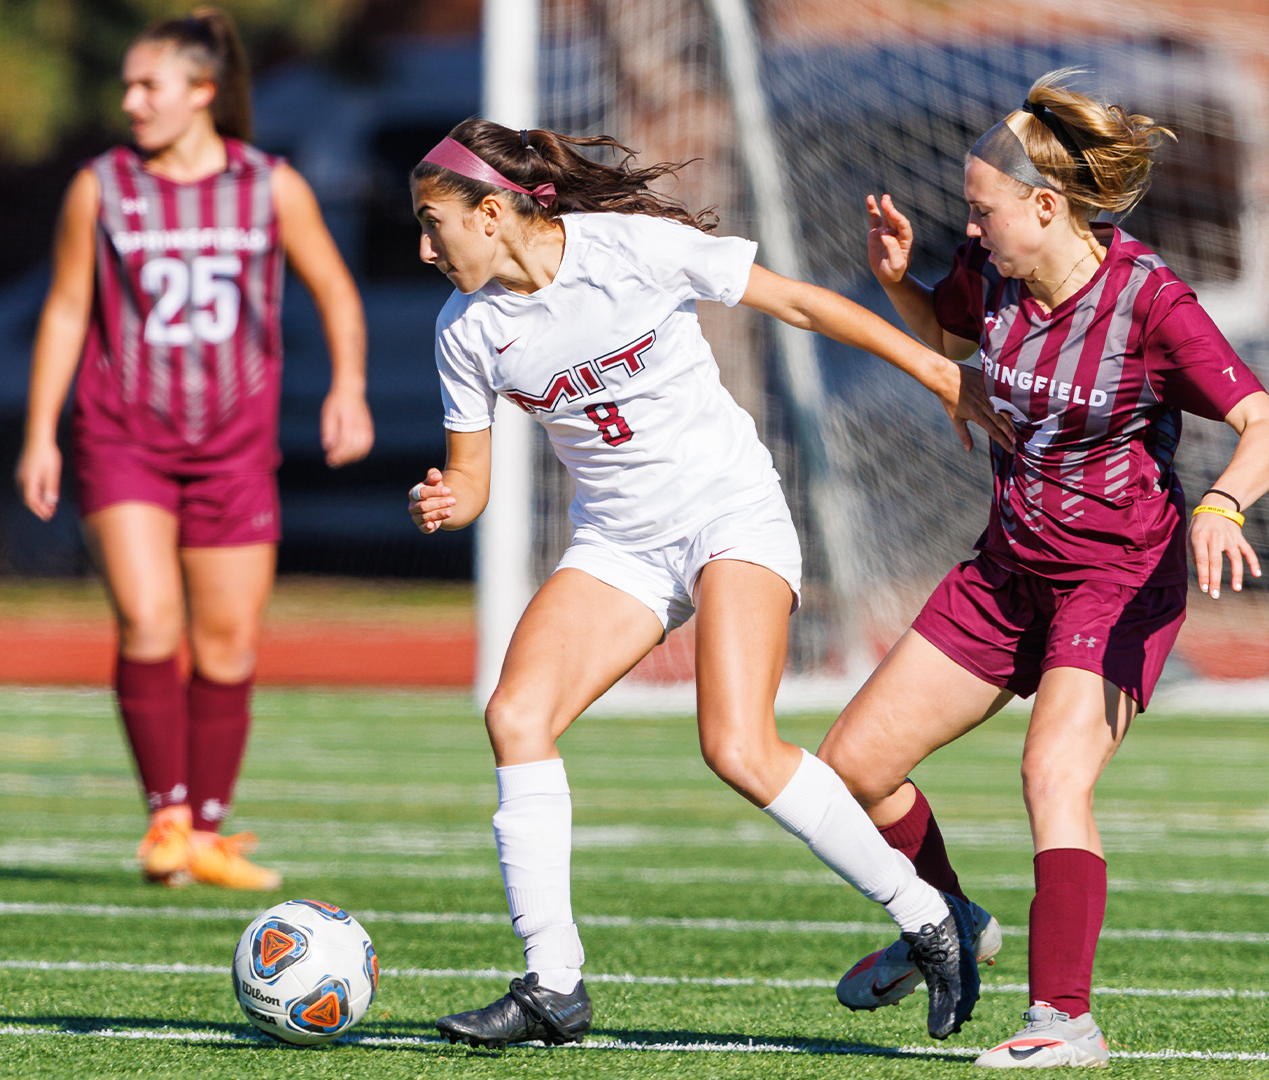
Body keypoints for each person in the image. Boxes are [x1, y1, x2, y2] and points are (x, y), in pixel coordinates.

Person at [405, 118, 1015, 1048]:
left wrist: (940, 369)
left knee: (738, 747)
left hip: (729, 515)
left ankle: (926, 915)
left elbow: (801, 305)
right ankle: (552, 985)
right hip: (619, 546)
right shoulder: (466, 331)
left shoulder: (631, 250)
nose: (422, 247)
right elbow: (477, 481)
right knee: (515, 717)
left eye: (431, 222)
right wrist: (450, 500)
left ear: (492, 213)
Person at [815, 70, 1269, 1068]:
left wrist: (1221, 503)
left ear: (1046, 206)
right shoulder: (993, 271)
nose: (972, 226)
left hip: (1117, 581)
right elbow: (955, 345)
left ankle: (1064, 1020)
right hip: (1008, 571)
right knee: (855, 769)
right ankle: (945, 918)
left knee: (1052, 774)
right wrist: (903, 279)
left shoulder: (1149, 303)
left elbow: (1265, 425)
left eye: (982, 210)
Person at [15, 9, 374, 890]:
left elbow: (334, 289)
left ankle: (208, 831)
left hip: (233, 448)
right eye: (129, 86)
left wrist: (348, 387)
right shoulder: (100, 187)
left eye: (150, 86)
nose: (132, 101)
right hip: (123, 437)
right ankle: (165, 820)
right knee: (148, 621)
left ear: (202, 93)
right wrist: (39, 433)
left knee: (228, 644)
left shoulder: (269, 184)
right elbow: (66, 310)